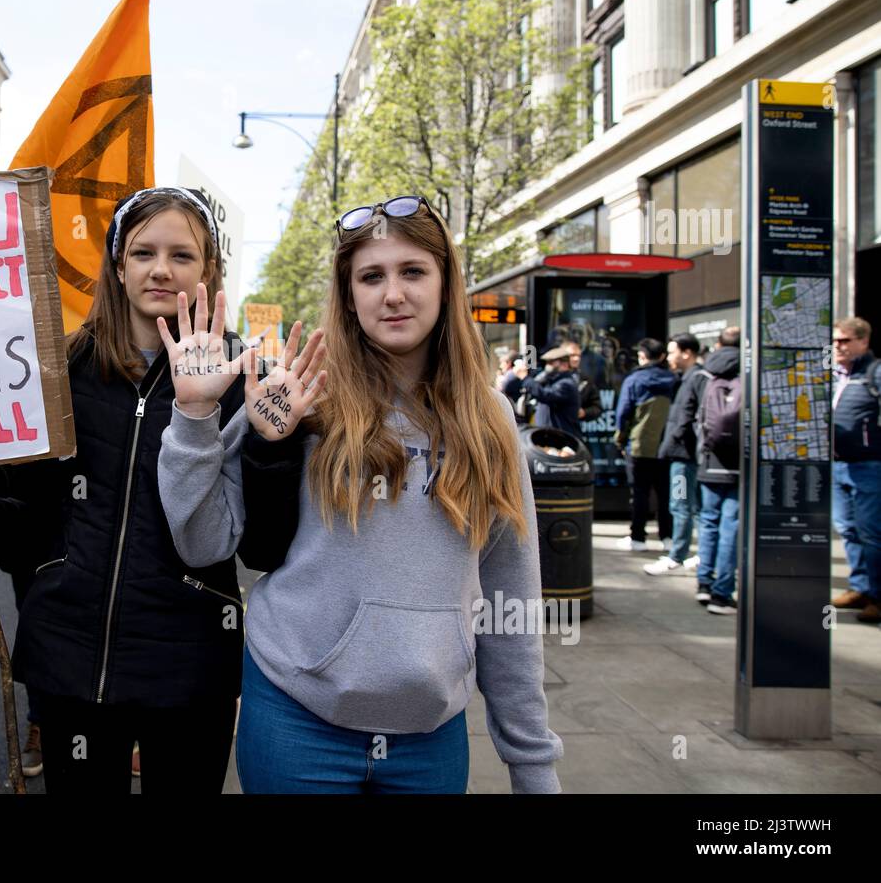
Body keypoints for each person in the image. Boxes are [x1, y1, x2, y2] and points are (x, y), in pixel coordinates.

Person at [158, 195, 562, 794]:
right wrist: (194, 416)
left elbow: (512, 591)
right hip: (297, 718)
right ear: (348, 295)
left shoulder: (491, 418)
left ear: (446, 283)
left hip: (431, 730)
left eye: (413, 271)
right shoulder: (299, 395)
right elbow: (202, 542)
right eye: (371, 276)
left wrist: (532, 764)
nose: (393, 294)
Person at [0, 187, 247, 794]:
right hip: (70, 662)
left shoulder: (242, 378)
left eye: (182, 254)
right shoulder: (57, 369)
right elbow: (29, 510)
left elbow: (256, 534)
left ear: (208, 269)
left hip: (189, 668)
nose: (160, 268)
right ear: (118, 266)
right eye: (143, 252)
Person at [830, 317, 880, 623]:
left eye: (845, 340)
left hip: (867, 464)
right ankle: (860, 586)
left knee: (871, 532)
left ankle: (877, 595)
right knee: (847, 529)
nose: (838, 346)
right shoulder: (838, 376)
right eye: (835, 341)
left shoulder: (874, 373)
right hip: (838, 464)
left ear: (863, 341)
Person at [648, 333, 705, 575]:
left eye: (672, 352)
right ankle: (700, 554)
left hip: (683, 457)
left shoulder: (695, 379)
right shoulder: (691, 378)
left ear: (686, 353)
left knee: (680, 504)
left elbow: (685, 419)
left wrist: (668, 444)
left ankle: (677, 555)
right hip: (688, 455)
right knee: (695, 507)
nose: (669, 357)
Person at [614, 338, 679, 551]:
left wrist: (620, 439)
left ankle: (638, 538)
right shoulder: (674, 380)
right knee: (666, 494)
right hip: (667, 445)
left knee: (639, 493)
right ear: (662, 356)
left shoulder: (634, 380)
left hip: (639, 445)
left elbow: (623, 413)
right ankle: (667, 537)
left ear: (642, 356)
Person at [694, 327, 741, 614]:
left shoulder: (705, 376)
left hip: (709, 462)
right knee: (729, 526)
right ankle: (722, 593)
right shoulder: (749, 372)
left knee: (708, 522)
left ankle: (703, 583)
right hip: (738, 464)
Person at [513, 345, 581, 437]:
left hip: (563, 439)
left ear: (564, 364)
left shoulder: (566, 383)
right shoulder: (551, 380)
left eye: (552, 362)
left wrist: (525, 378)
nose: (548, 366)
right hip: (550, 436)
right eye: (548, 362)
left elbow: (545, 395)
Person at [565, 341, 603, 424]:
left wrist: (584, 412)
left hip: (573, 429)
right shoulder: (551, 377)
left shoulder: (585, 380)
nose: (576, 359)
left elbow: (597, 407)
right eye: (572, 355)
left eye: (578, 355)